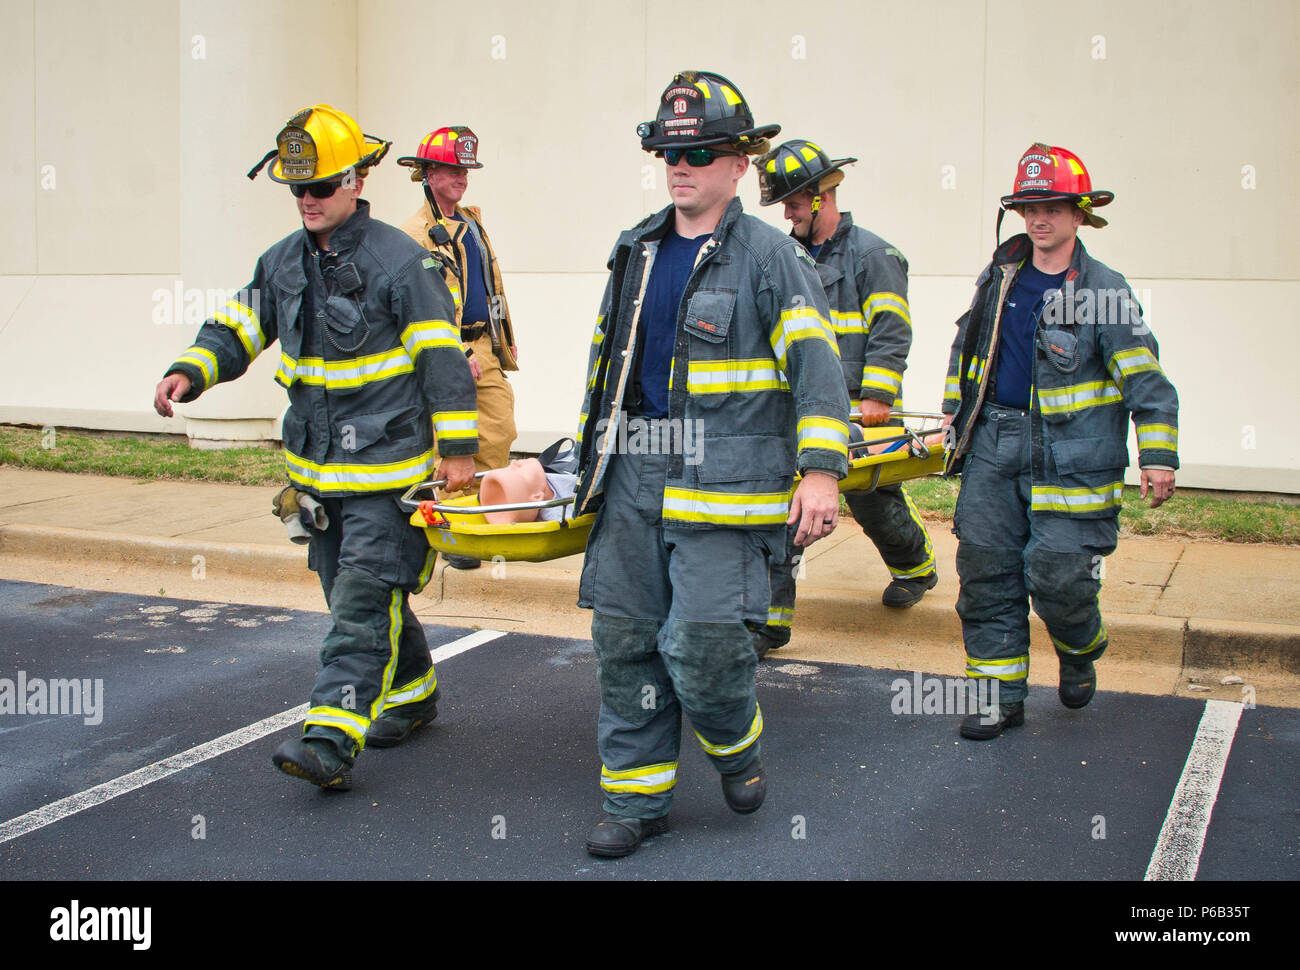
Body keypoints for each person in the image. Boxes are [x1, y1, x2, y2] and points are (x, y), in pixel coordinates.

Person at [153, 104, 478, 788]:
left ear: (357, 182)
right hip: (318, 481)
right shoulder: (282, 264)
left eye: (321, 187)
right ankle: (414, 696)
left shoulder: (402, 262)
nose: (307, 199)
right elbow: (239, 325)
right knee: (355, 596)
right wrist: (191, 369)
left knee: (362, 604)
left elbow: (442, 360)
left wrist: (458, 451)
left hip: (388, 479)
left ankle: (330, 738)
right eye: (298, 189)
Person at [573, 71, 850, 857]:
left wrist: (822, 470)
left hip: (724, 485)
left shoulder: (770, 257)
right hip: (633, 475)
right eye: (670, 151)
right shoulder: (636, 248)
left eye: (700, 152)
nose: (681, 165)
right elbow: (608, 368)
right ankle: (636, 802)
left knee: (702, 646)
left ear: (739, 167)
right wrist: (584, 468)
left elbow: (816, 366)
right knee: (625, 643)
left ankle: (734, 744)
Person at [942, 143, 1179, 740]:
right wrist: (954, 418)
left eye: (1051, 207)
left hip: (1072, 460)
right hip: (993, 446)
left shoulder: (1105, 289)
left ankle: (1079, 646)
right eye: (1028, 208)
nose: (1038, 219)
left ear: (1079, 214)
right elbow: (967, 351)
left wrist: (1157, 455)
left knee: (1058, 575)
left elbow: (1146, 381)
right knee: (987, 573)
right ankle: (998, 697)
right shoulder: (1001, 277)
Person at [751, 138, 938, 658]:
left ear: (820, 197)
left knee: (872, 498)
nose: (786, 214)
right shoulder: (786, 256)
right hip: (799, 405)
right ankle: (770, 620)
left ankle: (916, 568)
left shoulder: (873, 256)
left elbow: (891, 328)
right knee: (787, 498)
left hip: (855, 404)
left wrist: (878, 393)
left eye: (791, 202)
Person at [398, 127, 519, 569]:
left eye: (464, 169)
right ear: (427, 174)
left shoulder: (470, 222)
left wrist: (498, 344)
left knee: (499, 432)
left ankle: (480, 520)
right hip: (454, 352)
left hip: (484, 346)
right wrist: (454, 353)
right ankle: (453, 530)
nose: (460, 177)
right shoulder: (413, 235)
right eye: (450, 169)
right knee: (452, 444)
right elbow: (422, 304)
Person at [478, 457, 577, 524]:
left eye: (508, 467)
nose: (513, 462)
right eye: (517, 469)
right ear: (537, 497)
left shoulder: (541, 481)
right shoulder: (559, 514)